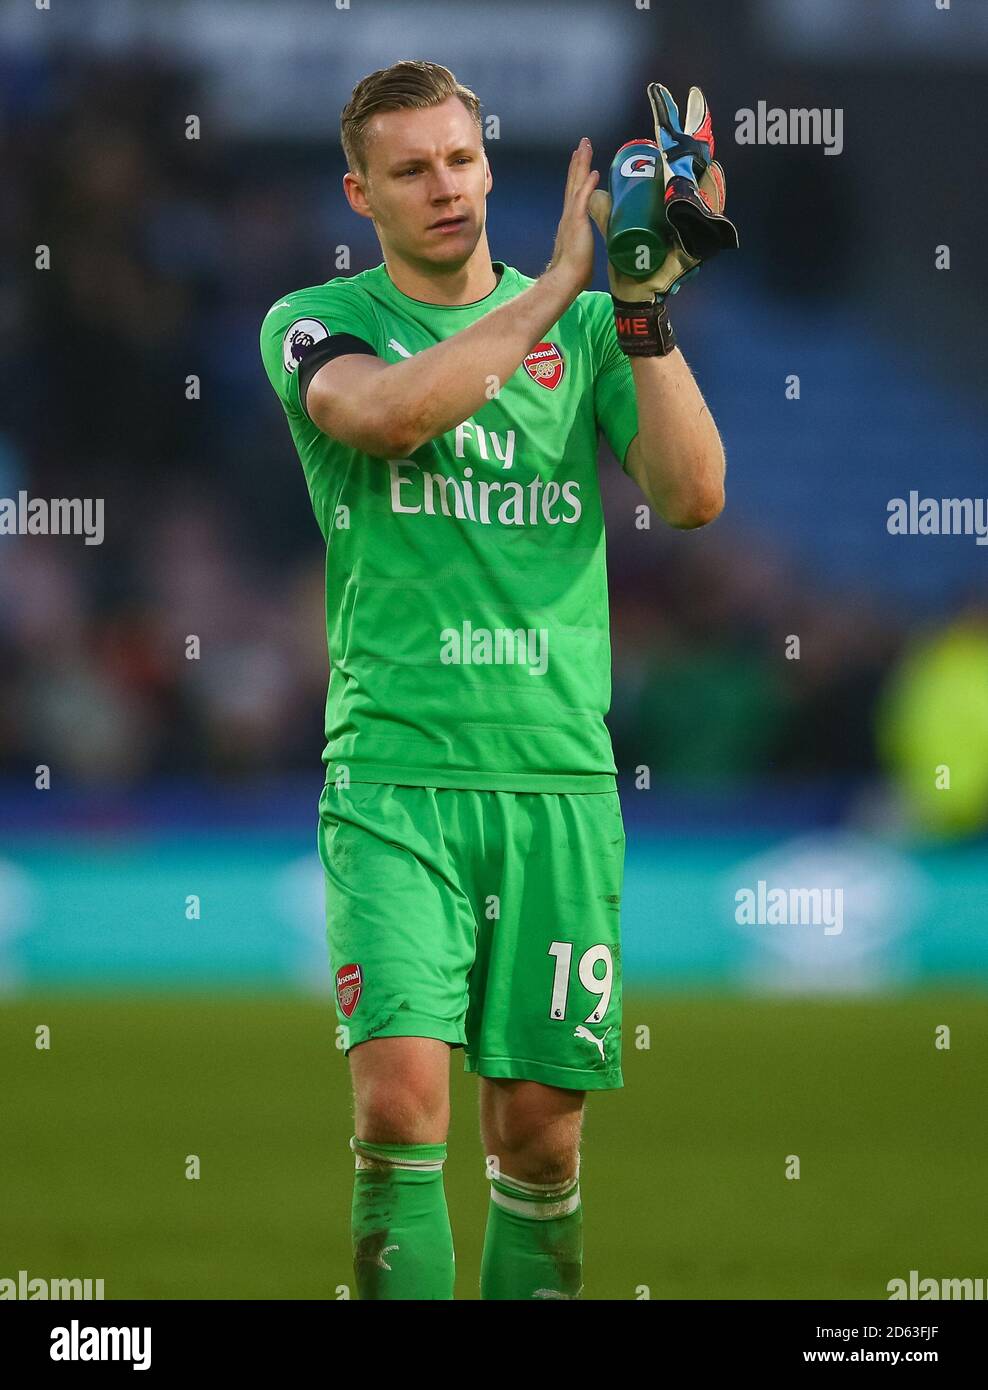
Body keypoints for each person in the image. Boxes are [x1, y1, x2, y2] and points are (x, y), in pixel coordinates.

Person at [259, 59, 727, 1300]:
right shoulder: (314, 319)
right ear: (360, 191)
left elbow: (691, 496)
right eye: (409, 169)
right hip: (394, 775)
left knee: (539, 1135)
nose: (444, 187)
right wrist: (568, 282)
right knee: (402, 1103)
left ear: (486, 159)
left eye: (460, 159)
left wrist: (636, 308)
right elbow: (389, 418)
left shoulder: (587, 328)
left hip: (556, 781)